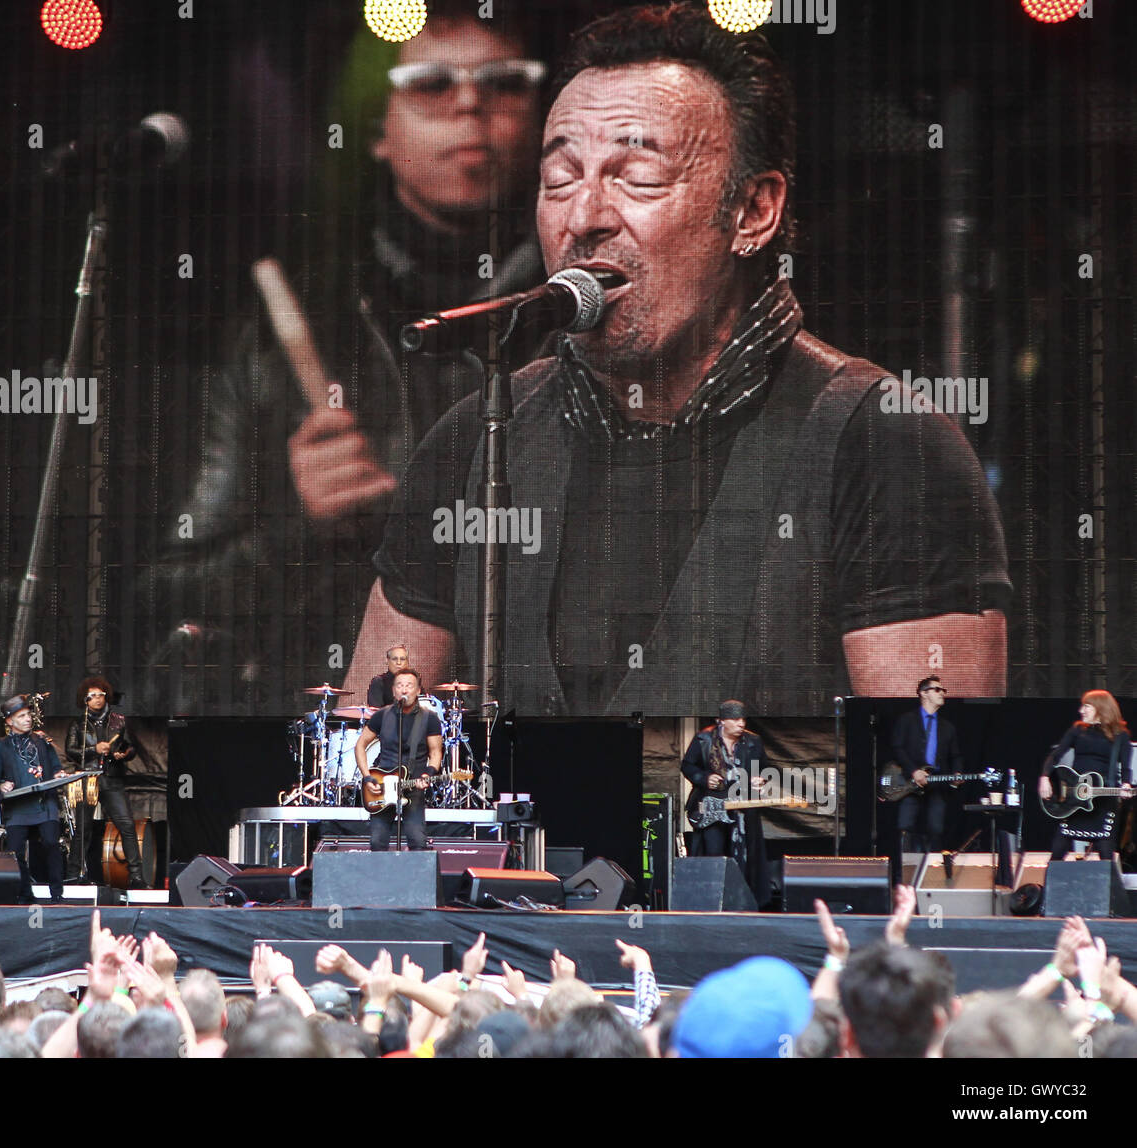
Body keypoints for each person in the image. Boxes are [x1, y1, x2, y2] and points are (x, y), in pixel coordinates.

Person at [345, 1, 1010, 717]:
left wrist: (641, 795)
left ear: (754, 211)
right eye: (561, 179)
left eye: (637, 177)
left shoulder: (887, 444)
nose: (585, 215)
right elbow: (365, 753)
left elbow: (926, 783)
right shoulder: (475, 440)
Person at [151, 3, 547, 714]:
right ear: (375, 132)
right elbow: (164, 593)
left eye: (505, 83)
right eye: (431, 84)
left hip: (539, 712)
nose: (470, 103)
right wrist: (300, 525)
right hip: (344, 723)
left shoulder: (587, 319)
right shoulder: (281, 332)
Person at [679, 700, 771, 905]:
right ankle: (712, 900)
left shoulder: (753, 741)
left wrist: (760, 778)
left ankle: (743, 900)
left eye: (743, 719)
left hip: (742, 809)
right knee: (714, 852)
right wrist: (704, 778)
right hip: (713, 807)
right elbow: (687, 765)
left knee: (745, 854)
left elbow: (766, 768)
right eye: (735, 719)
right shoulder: (703, 739)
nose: (741, 724)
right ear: (721, 721)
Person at [64, 675, 147, 889]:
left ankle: (136, 876)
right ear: (85, 700)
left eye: (100, 695)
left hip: (112, 778)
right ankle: (74, 874)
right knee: (83, 829)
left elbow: (132, 747)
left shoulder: (118, 720)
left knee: (126, 825)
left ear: (106, 696)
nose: (97, 699)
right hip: (87, 778)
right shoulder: (78, 723)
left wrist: (123, 754)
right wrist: (94, 749)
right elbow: (70, 751)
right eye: (92, 696)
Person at [1037, 690, 1134, 860]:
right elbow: (1056, 755)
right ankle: (1051, 886)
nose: (1081, 710)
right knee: (1058, 849)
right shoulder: (1077, 730)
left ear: (1100, 708)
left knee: (1105, 852)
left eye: (1087, 706)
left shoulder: (1121, 736)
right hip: (1075, 799)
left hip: (1103, 801)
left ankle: (1106, 886)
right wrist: (1045, 777)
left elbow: (1126, 768)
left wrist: (1126, 785)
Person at [353, 668, 442, 851]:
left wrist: (429, 773)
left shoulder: (429, 719)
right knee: (377, 842)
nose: (404, 690)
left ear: (418, 691)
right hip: (382, 787)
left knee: (417, 841)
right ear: (393, 690)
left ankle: (415, 879)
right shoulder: (382, 715)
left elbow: (435, 753)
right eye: (400, 685)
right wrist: (367, 776)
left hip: (412, 785)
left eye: (409, 686)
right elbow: (360, 745)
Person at [0, 694, 67, 904]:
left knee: (51, 843)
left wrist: (59, 774)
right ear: (9, 721)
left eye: (28, 714)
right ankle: (26, 894)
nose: (28, 719)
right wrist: (1, 785)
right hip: (18, 807)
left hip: (45, 803)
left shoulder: (41, 740)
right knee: (15, 851)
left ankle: (57, 894)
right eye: (22, 716)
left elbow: (56, 767)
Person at [890, 676, 964, 856]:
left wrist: (957, 774)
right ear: (923, 693)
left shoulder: (947, 727)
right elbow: (897, 748)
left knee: (936, 828)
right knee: (905, 825)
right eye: (937, 689)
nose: (942, 693)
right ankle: (904, 873)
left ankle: (933, 874)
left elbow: (956, 755)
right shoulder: (907, 720)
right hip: (910, 783)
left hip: (937, 783)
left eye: (943, 690)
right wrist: (914, 771)